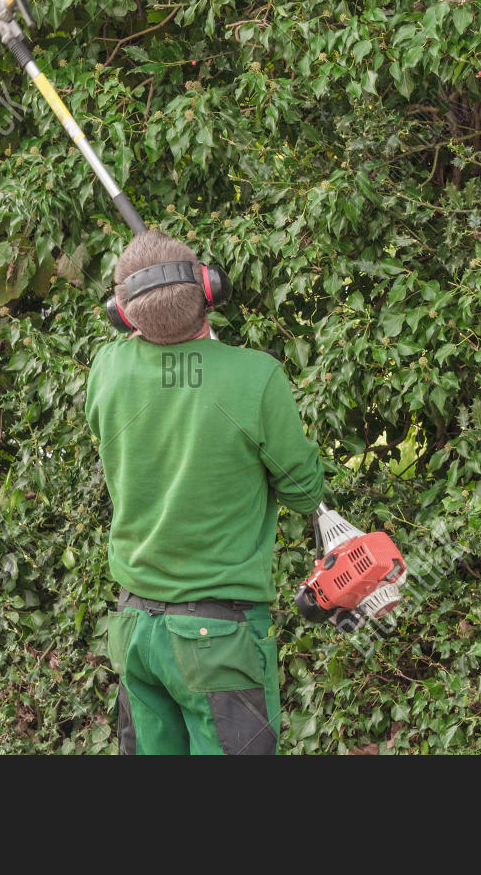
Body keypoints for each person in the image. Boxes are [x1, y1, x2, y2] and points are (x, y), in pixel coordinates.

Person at [85, 229, 324, 754]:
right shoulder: (256, 377)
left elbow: (160, 375)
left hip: (134, 629)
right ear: (210, 290)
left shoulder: (106, 370)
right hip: (218, 640)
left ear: (122, 314)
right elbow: (304, 491)